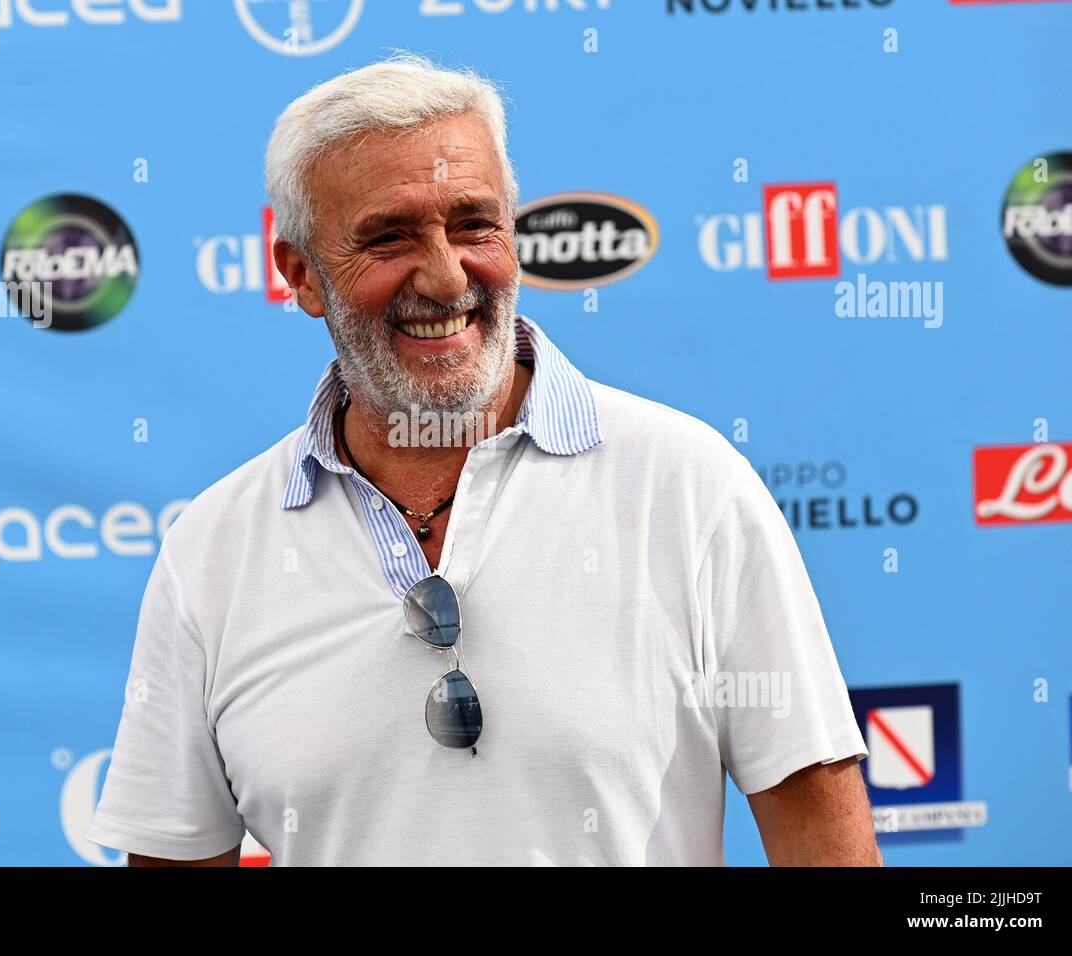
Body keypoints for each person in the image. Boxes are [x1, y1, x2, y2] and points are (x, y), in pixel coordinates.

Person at [86, 53, 880, 866]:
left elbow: (824, 844)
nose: (444, 276)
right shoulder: (214, 551)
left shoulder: (688, 487)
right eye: (388, 238)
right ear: (301, 274)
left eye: (474, 224)